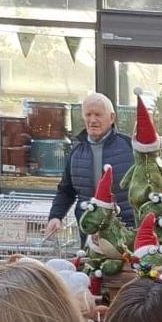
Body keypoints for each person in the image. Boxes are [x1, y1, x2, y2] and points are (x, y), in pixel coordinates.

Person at [46, 92, 135, 239]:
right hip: (89, 231)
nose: (92, 120)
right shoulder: (76, 151)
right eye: (88, 115)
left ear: (112, 118)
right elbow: (66, 191)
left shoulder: (129, 147)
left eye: (98, 115)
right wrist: (55, 217)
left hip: (125, 230)